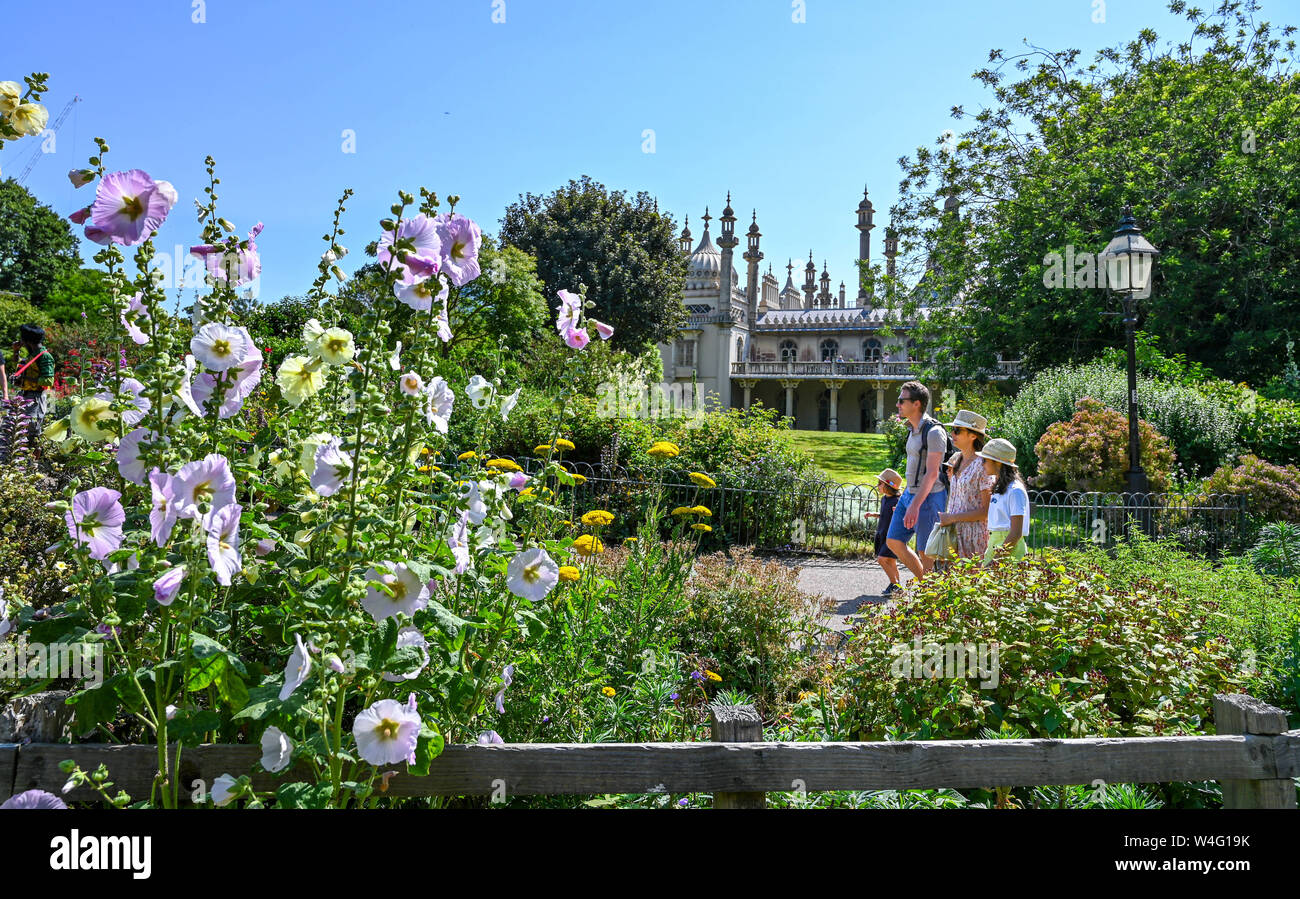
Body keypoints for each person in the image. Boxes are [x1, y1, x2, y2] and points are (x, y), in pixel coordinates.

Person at [885, 380, 950, 581]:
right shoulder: (912, 429)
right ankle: (926, 586)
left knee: (926, 552)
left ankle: (928, 599)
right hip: (910, 494)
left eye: (901, 400)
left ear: (917, 404)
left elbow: (932, 474)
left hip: (929, 497)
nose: (897, 404)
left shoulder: (934, 432)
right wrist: (908, 500)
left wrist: (915, 505)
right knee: (893, 541)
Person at [936, 410, 994, 560]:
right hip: (954, 535)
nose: (952, 434)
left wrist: (952, 518)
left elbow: (986, 512)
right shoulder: (957, 460)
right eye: (952, 430)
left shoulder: (983, 465)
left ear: (973, 435)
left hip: (974, 537)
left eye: (957, 430)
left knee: (972, 580)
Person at [976, 438, 1030, 565]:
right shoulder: (999, 487)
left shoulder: (1015, 491)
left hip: (1010, 549)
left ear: (998, 462)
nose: (982, 463)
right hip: (995, 544)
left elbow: (1016, 533)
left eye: (985, 460)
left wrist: (996, 561)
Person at [10, 324, 55, 446]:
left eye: (22, 339)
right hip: (25, 396)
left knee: (32, 433)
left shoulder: (45, 357)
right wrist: (16, 351)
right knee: (20, 431)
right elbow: (18, 366)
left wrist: (25, 378)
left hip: (36, 399)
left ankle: (34, 463)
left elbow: (48, 381)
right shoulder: (32, 355)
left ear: (27, 340)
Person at [869, 469, 904, 596]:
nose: (877, 485)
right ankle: (896, 585)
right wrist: (875, 514)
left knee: (882, 559)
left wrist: (898, 513)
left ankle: (895, 584)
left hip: (893, 536)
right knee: (890, 561)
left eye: (880, 483)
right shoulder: (885, 499)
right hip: (883, 534)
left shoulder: (897, 501)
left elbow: (901, 518)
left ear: (888, 486)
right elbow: (885, 515)